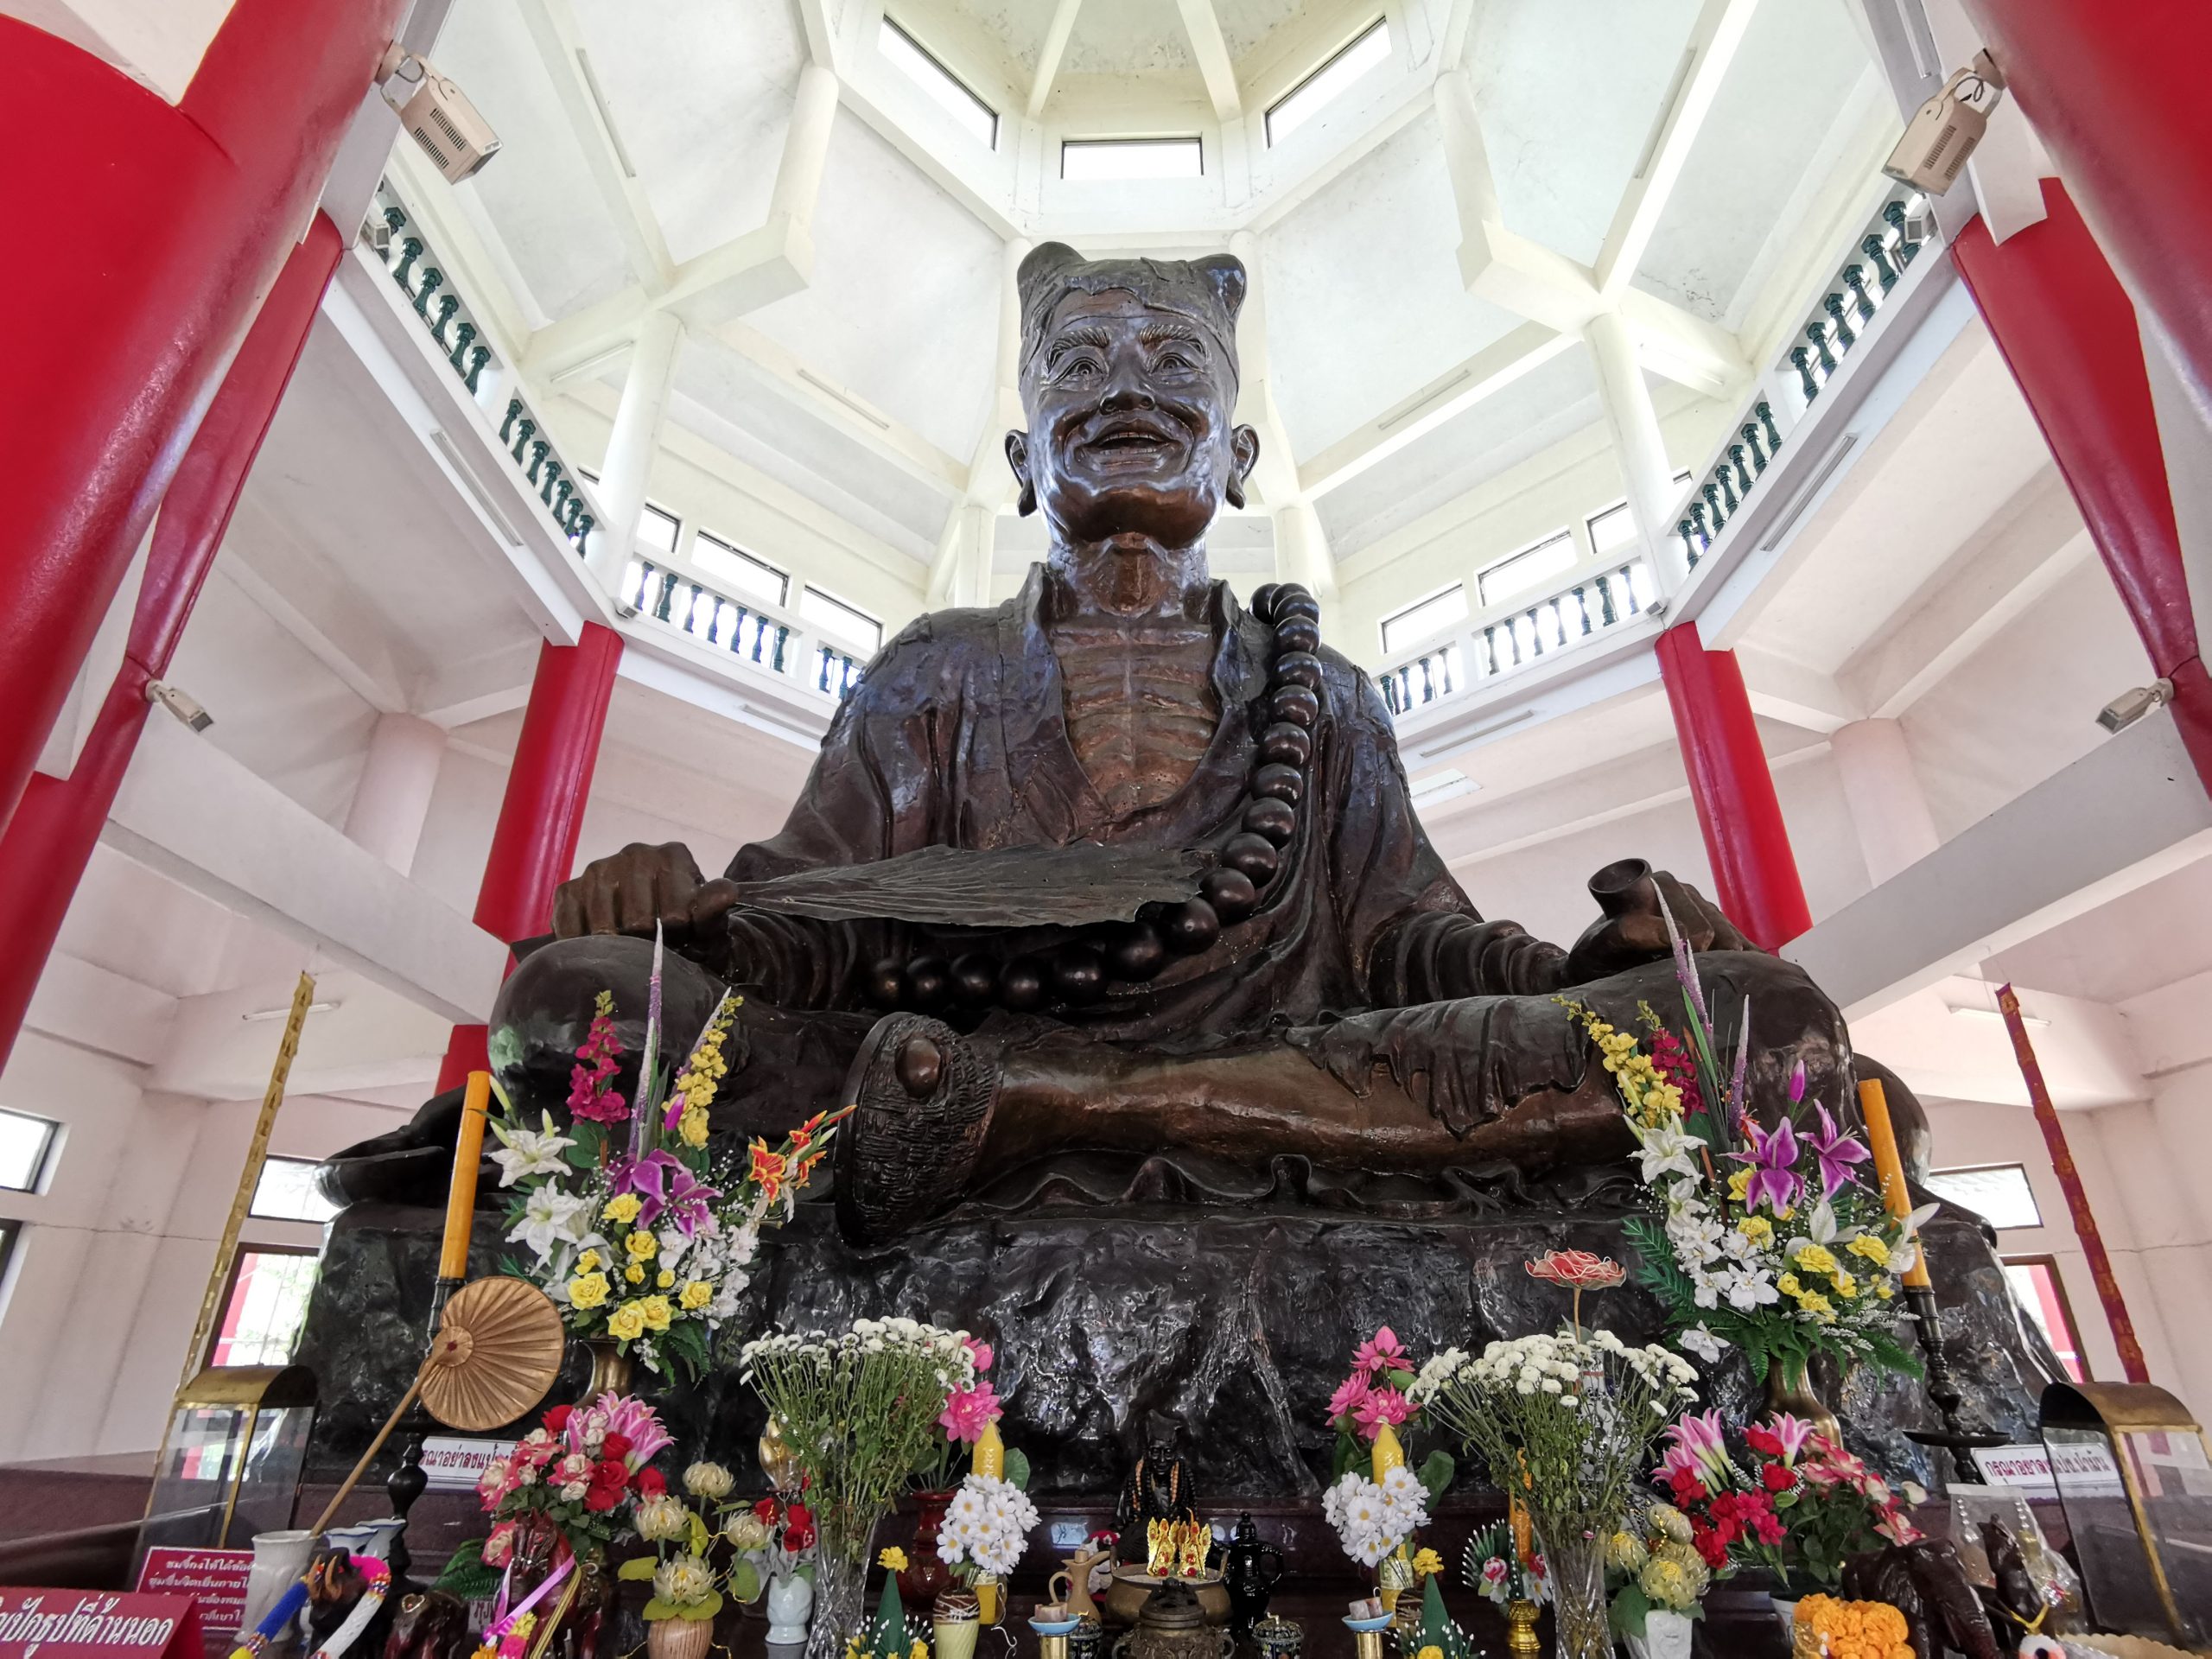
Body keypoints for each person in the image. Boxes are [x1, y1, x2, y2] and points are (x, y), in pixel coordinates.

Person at [499, 240, 1858, 1247]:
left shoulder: (1321, 690)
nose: (1124, 390)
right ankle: (1045, 1089)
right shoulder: (938, 670)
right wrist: (685, 920)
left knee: (1765, 1023)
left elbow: (1410, 943)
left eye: (1171, 365)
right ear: (1027, 457)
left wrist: (1594, 965)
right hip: (983, 1042)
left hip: (1273, 1063)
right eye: (1079, 366)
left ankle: (1050, 1103)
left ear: (1242, 451)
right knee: (573, 1004)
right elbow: (819, 920)